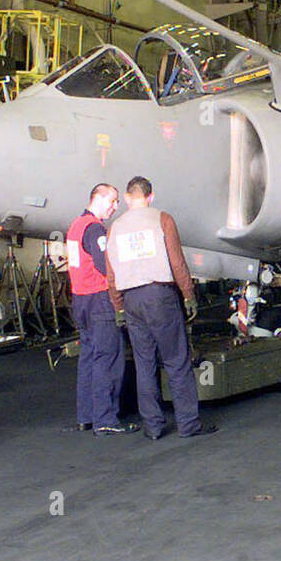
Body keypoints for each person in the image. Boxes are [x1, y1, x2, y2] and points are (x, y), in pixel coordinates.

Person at [106, 176, 216, 439]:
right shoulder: (161, 219)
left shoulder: (115, 227)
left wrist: (118, 307)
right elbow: (177, 262)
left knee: (144, 364)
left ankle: (153, 427)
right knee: (177, 361)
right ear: (151, 196)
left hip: (131, 300)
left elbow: (110, 273)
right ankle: (188, 424)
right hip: (160, 297)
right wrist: (188, 294)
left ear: (126, 197)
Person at [66, 183, 133, 436]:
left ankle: (87, 416)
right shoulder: (95, 229)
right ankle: (106, 419)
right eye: (113, 201)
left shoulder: (75, 225)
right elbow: (105, 266)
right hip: (99, 301)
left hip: (80, 300)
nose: (115, 207)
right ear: (100, 198)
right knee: (109, 359)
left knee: (89, 359)